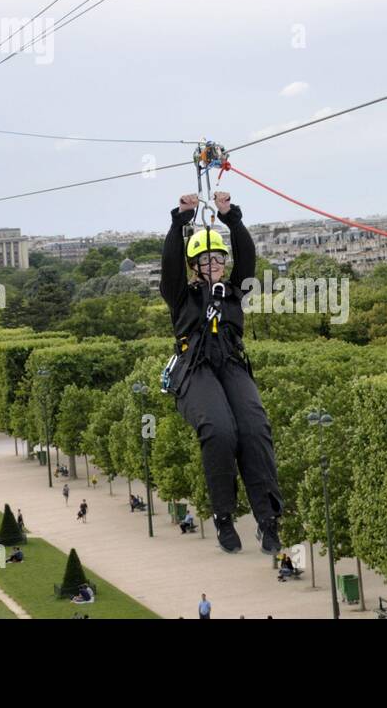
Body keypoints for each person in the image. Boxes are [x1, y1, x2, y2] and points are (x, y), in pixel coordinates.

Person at [161, 189, 283, 555]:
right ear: (194, 264)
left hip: (229, 362)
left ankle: (267, 520)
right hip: (195, 367)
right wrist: (180, 220)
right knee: (219, 430)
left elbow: (248, 257)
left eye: (219, 258)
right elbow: (169, 263)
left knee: (254, 428)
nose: (215, 263)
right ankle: (224, 516)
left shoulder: (233, 292)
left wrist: (232, 216)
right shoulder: (180, 295)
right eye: (207, 258)